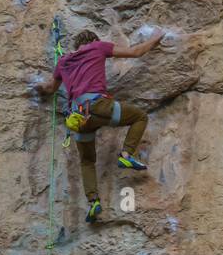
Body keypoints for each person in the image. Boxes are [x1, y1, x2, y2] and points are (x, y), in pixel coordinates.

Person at [35, 26, 165, 222]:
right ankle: (126, 154)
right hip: (97, 106)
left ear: (77, 45)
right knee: (139, 117)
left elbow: (49, 88)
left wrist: (35, 87)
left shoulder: (63, 61)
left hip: (78, 118)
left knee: (87, 161)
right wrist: (156, 38)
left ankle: (93, 202)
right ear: (94, 41)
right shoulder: (98, 47)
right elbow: (136, 52)